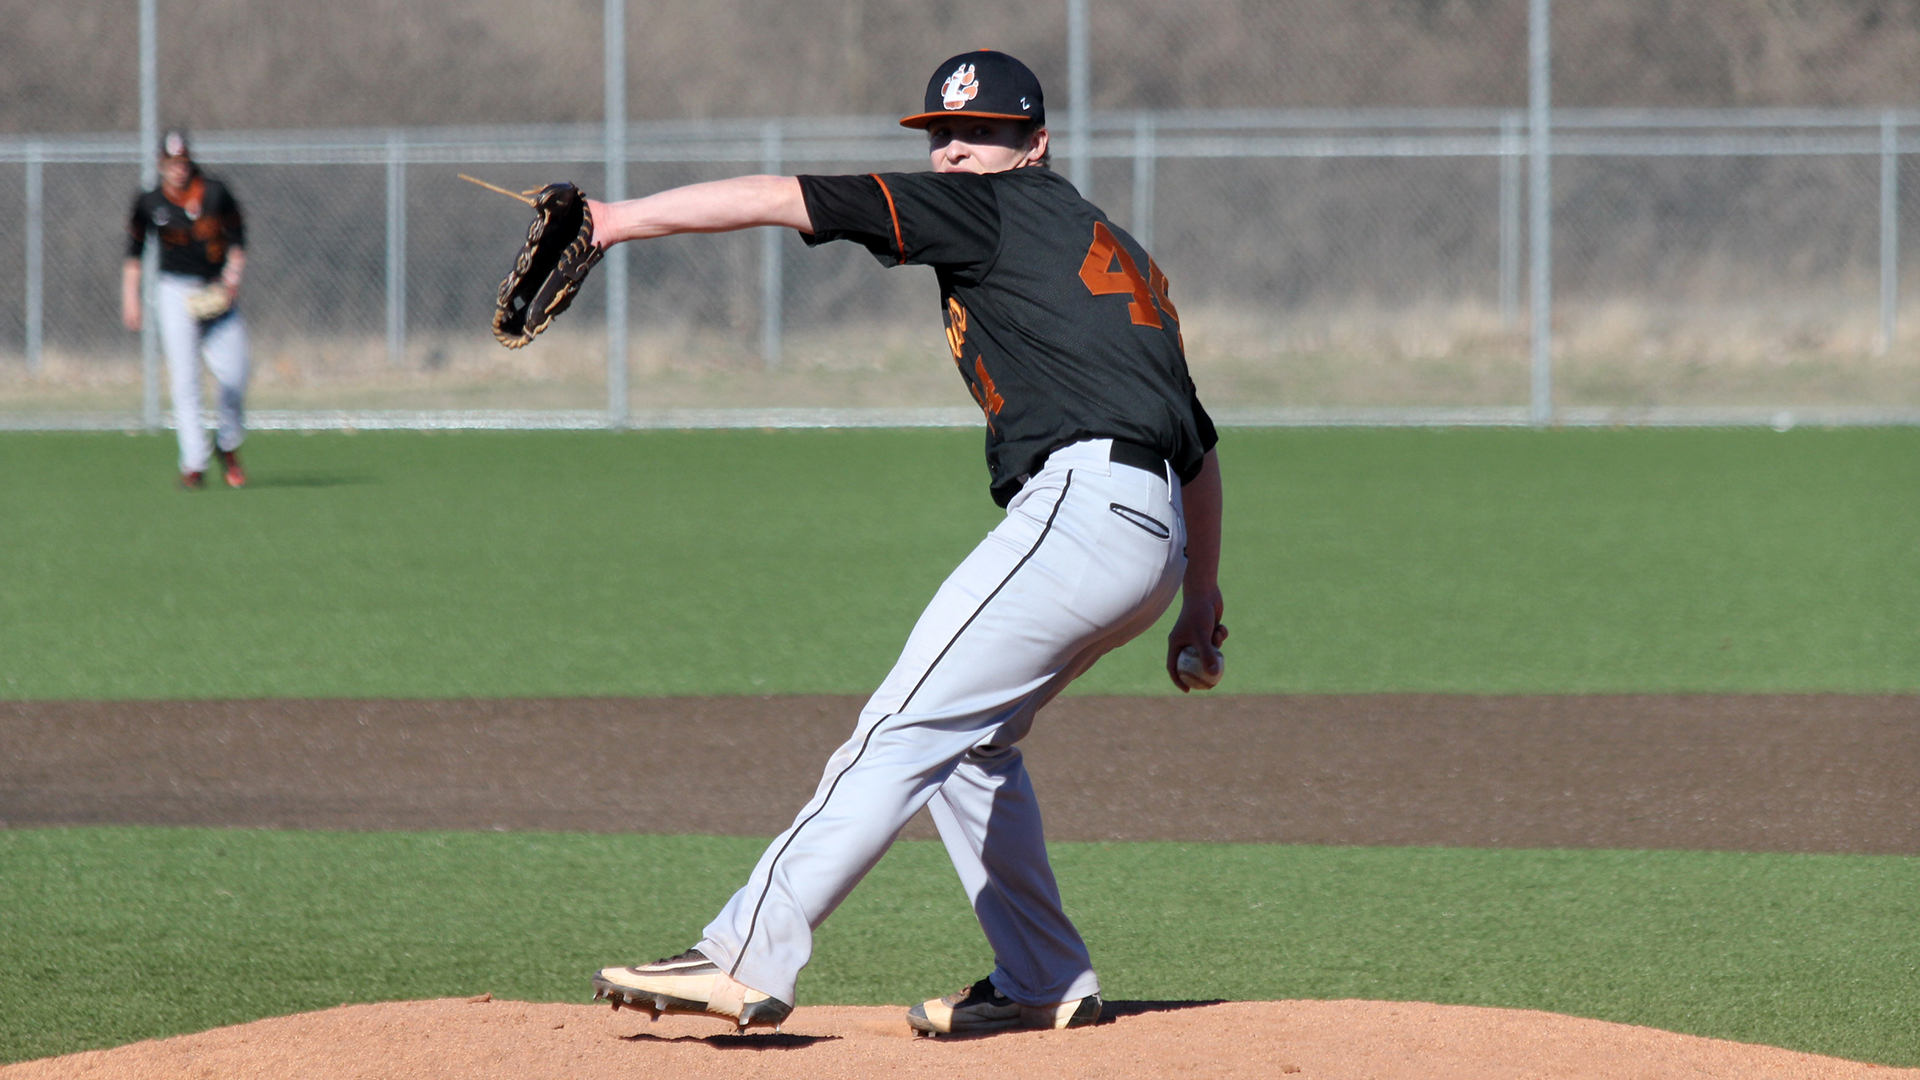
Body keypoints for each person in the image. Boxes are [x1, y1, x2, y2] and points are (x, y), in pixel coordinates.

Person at [589, 50, 1227, 1036]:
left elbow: (778, 195)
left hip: (1080, 509)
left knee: (900, 729)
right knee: (973, 745)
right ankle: (1044, 976)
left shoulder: (987, 208)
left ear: (1036, 144)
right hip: (1150, 538)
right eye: (941, 134)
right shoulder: (1114, 250)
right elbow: (1197, 440)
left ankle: (744, 951)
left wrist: (612, 221)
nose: (957, 151)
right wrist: (1200, 597)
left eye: (981, 132)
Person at [123, 129, 250, 489]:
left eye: (182, 162)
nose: (178, 169)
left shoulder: (215, 192)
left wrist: (233, 277)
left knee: (236, 372)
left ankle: (227, 443)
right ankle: (194, 463)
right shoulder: (149, 202)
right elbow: (133, 255)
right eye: (170, 163)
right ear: (160, 164)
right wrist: (131, 298)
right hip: (175, 291)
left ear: (190, 161)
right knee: (185, 379)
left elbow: (239, 237)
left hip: (215, 288)